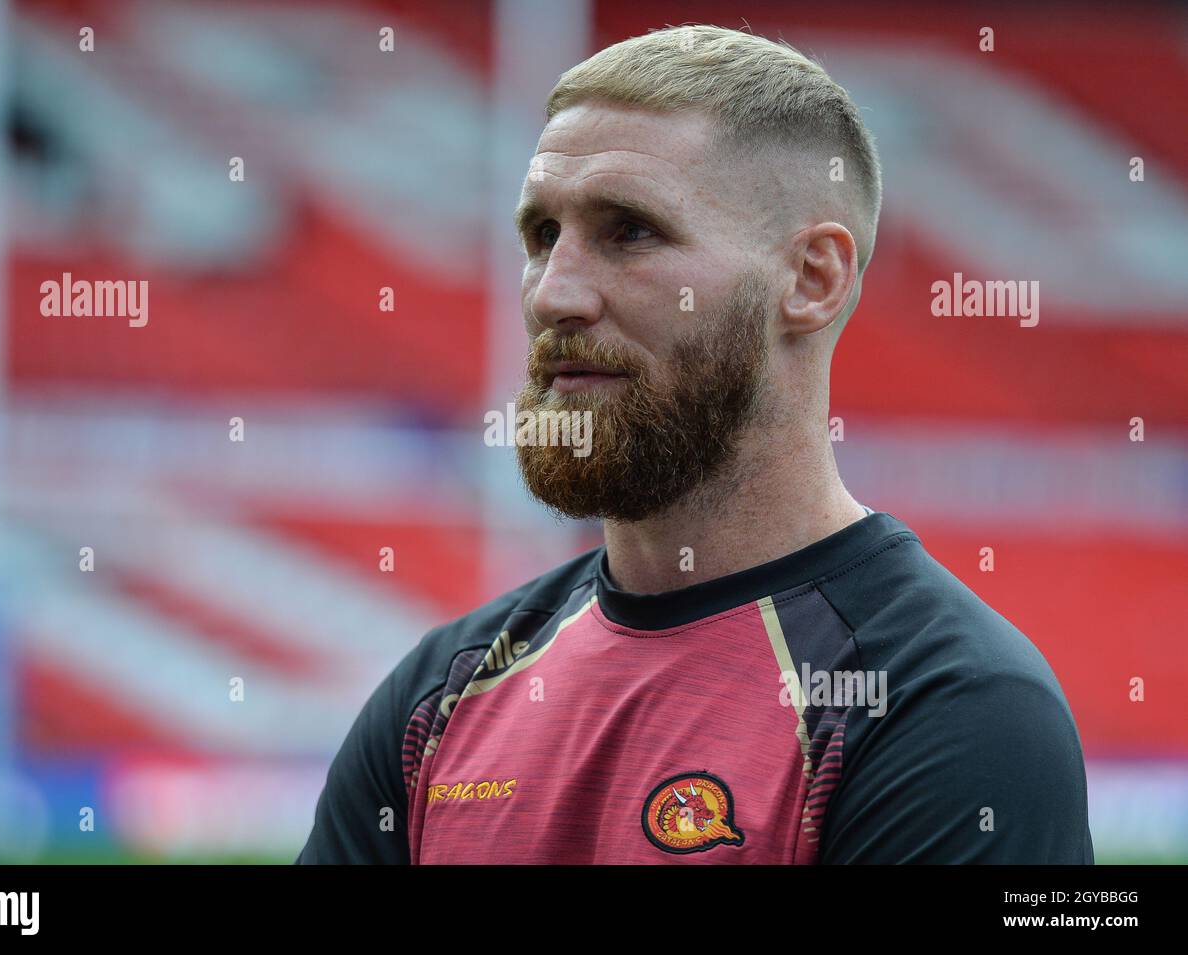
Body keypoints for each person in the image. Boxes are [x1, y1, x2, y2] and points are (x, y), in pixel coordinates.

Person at [297, 24, 1093, 864]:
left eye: (630, 232)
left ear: (813, 279)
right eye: (541, 236)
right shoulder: (438, 695)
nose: (552, 294)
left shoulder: (950, 706)